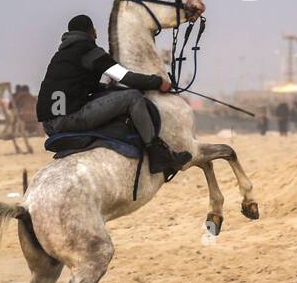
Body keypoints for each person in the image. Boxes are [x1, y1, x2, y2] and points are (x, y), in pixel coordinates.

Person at [36, 14, 190, 175]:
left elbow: (82, 87)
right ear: (91, 31)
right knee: (132, 97)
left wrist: (109, 89)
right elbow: (126, 77)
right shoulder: (89, 50)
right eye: (94, 29)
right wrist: (158, 82)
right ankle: (157, 154)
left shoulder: (61, 55)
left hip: (49, 124)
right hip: (69, 119)